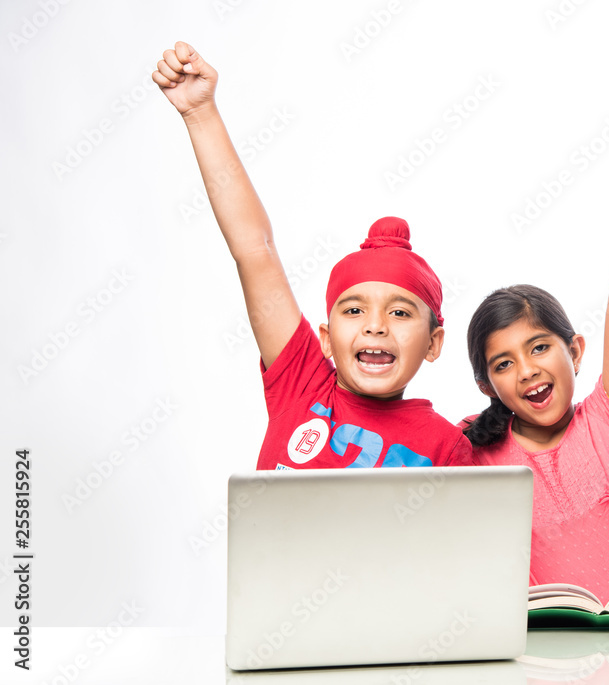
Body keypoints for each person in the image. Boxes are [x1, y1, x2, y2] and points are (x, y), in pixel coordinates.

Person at [153, 41, 472, 469]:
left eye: (400, 313)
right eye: (354, 310)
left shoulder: (446, 447)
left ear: (433, 344)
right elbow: (254, 250)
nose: (376, 327)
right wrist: (199, 113)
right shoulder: (301, 381)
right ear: (325, 339)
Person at [463, 124, 609, 602]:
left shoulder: (608, 422)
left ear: (576, 351)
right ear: (487, 387)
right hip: (556, 669)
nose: (526, 370)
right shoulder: (473, 453)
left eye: (539, 347)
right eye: (503, 365)